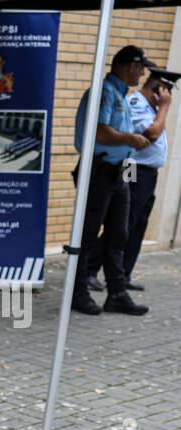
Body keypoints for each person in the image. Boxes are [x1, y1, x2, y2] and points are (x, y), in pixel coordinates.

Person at [71, 46, 154, 316]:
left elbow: (122, 141)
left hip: (120, 171)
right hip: (100, 170)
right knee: (87, 232)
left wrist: (129, 173)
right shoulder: (104, 91)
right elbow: (100, 133)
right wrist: (131, 139)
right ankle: (78, 291)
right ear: (130, 65)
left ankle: (117, 293)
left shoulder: (120, 94)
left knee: (120, 232)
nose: (142, 74)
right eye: (141, 68)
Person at [87, 69, 174, 291]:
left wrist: (160, 108)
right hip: (132, 167)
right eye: (166, 92)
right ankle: (89, 269)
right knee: (122, 222)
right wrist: (164, 108)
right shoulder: (135, 103)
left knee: (137, 223)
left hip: (148, 172)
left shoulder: (151, 108)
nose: (168, 98)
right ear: (157, 90)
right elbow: (151, 134)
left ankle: (122, 276)